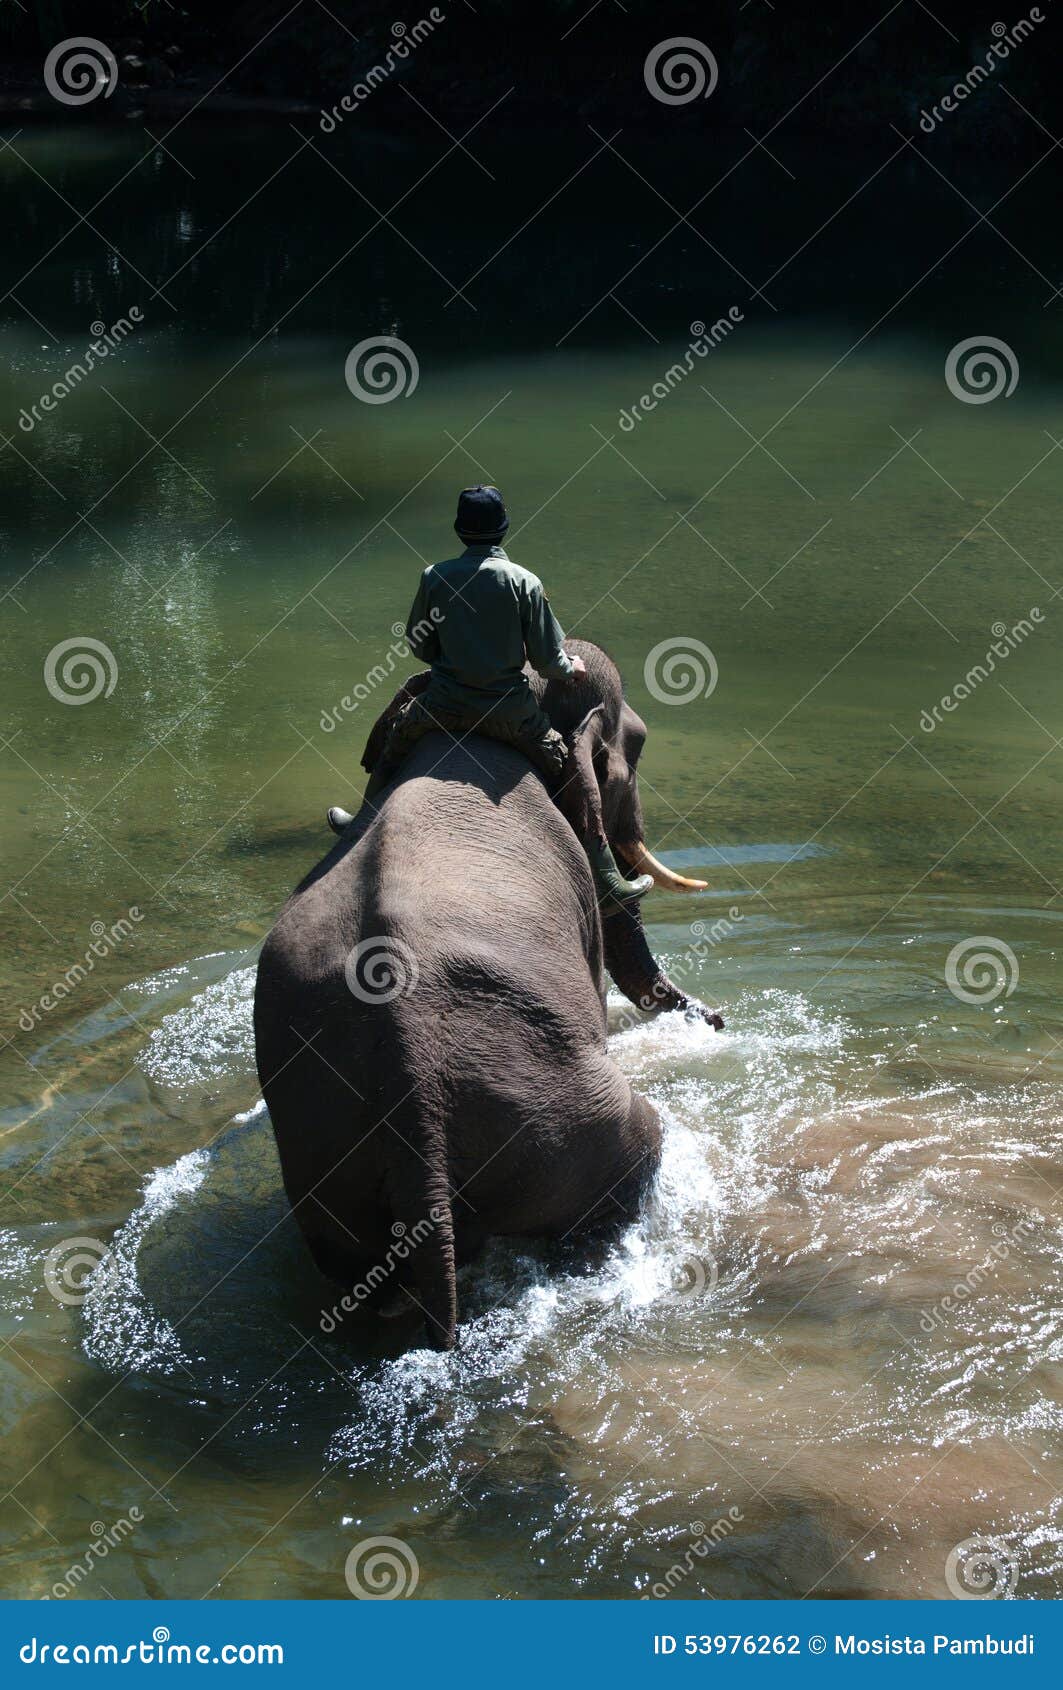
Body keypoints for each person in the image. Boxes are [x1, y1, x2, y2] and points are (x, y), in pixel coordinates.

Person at [326, 485, 652, 904]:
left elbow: (419, 644)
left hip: (441, 705)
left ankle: (362, 820)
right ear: (503, 529)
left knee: (394, 743)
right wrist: (572, 667)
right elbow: (547, 660)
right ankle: (604, 873)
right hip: (510, 713)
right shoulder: (525, 582)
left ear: (459, 530)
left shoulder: (435, 576)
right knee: (570, 771)